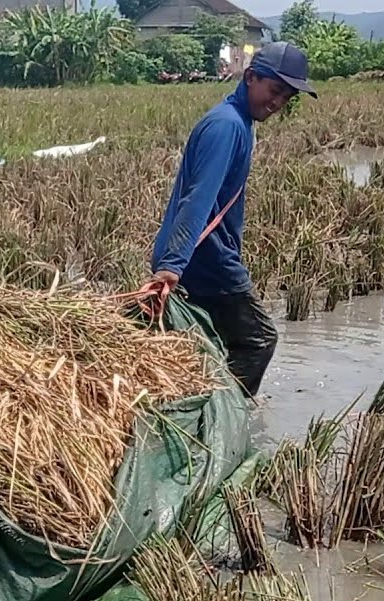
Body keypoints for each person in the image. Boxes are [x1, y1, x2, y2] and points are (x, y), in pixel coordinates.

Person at [149, 41, 317, 399]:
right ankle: (226, 416)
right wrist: (172, 266)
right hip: (207, 261)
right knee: (258, 341)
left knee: (205, 347)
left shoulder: (238, 120)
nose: (277, 103)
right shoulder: (226, 126)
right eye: (274, 90)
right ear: (251, 77)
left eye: (286, 97)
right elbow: (198, 199)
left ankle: (203, 401)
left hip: (199, 257)